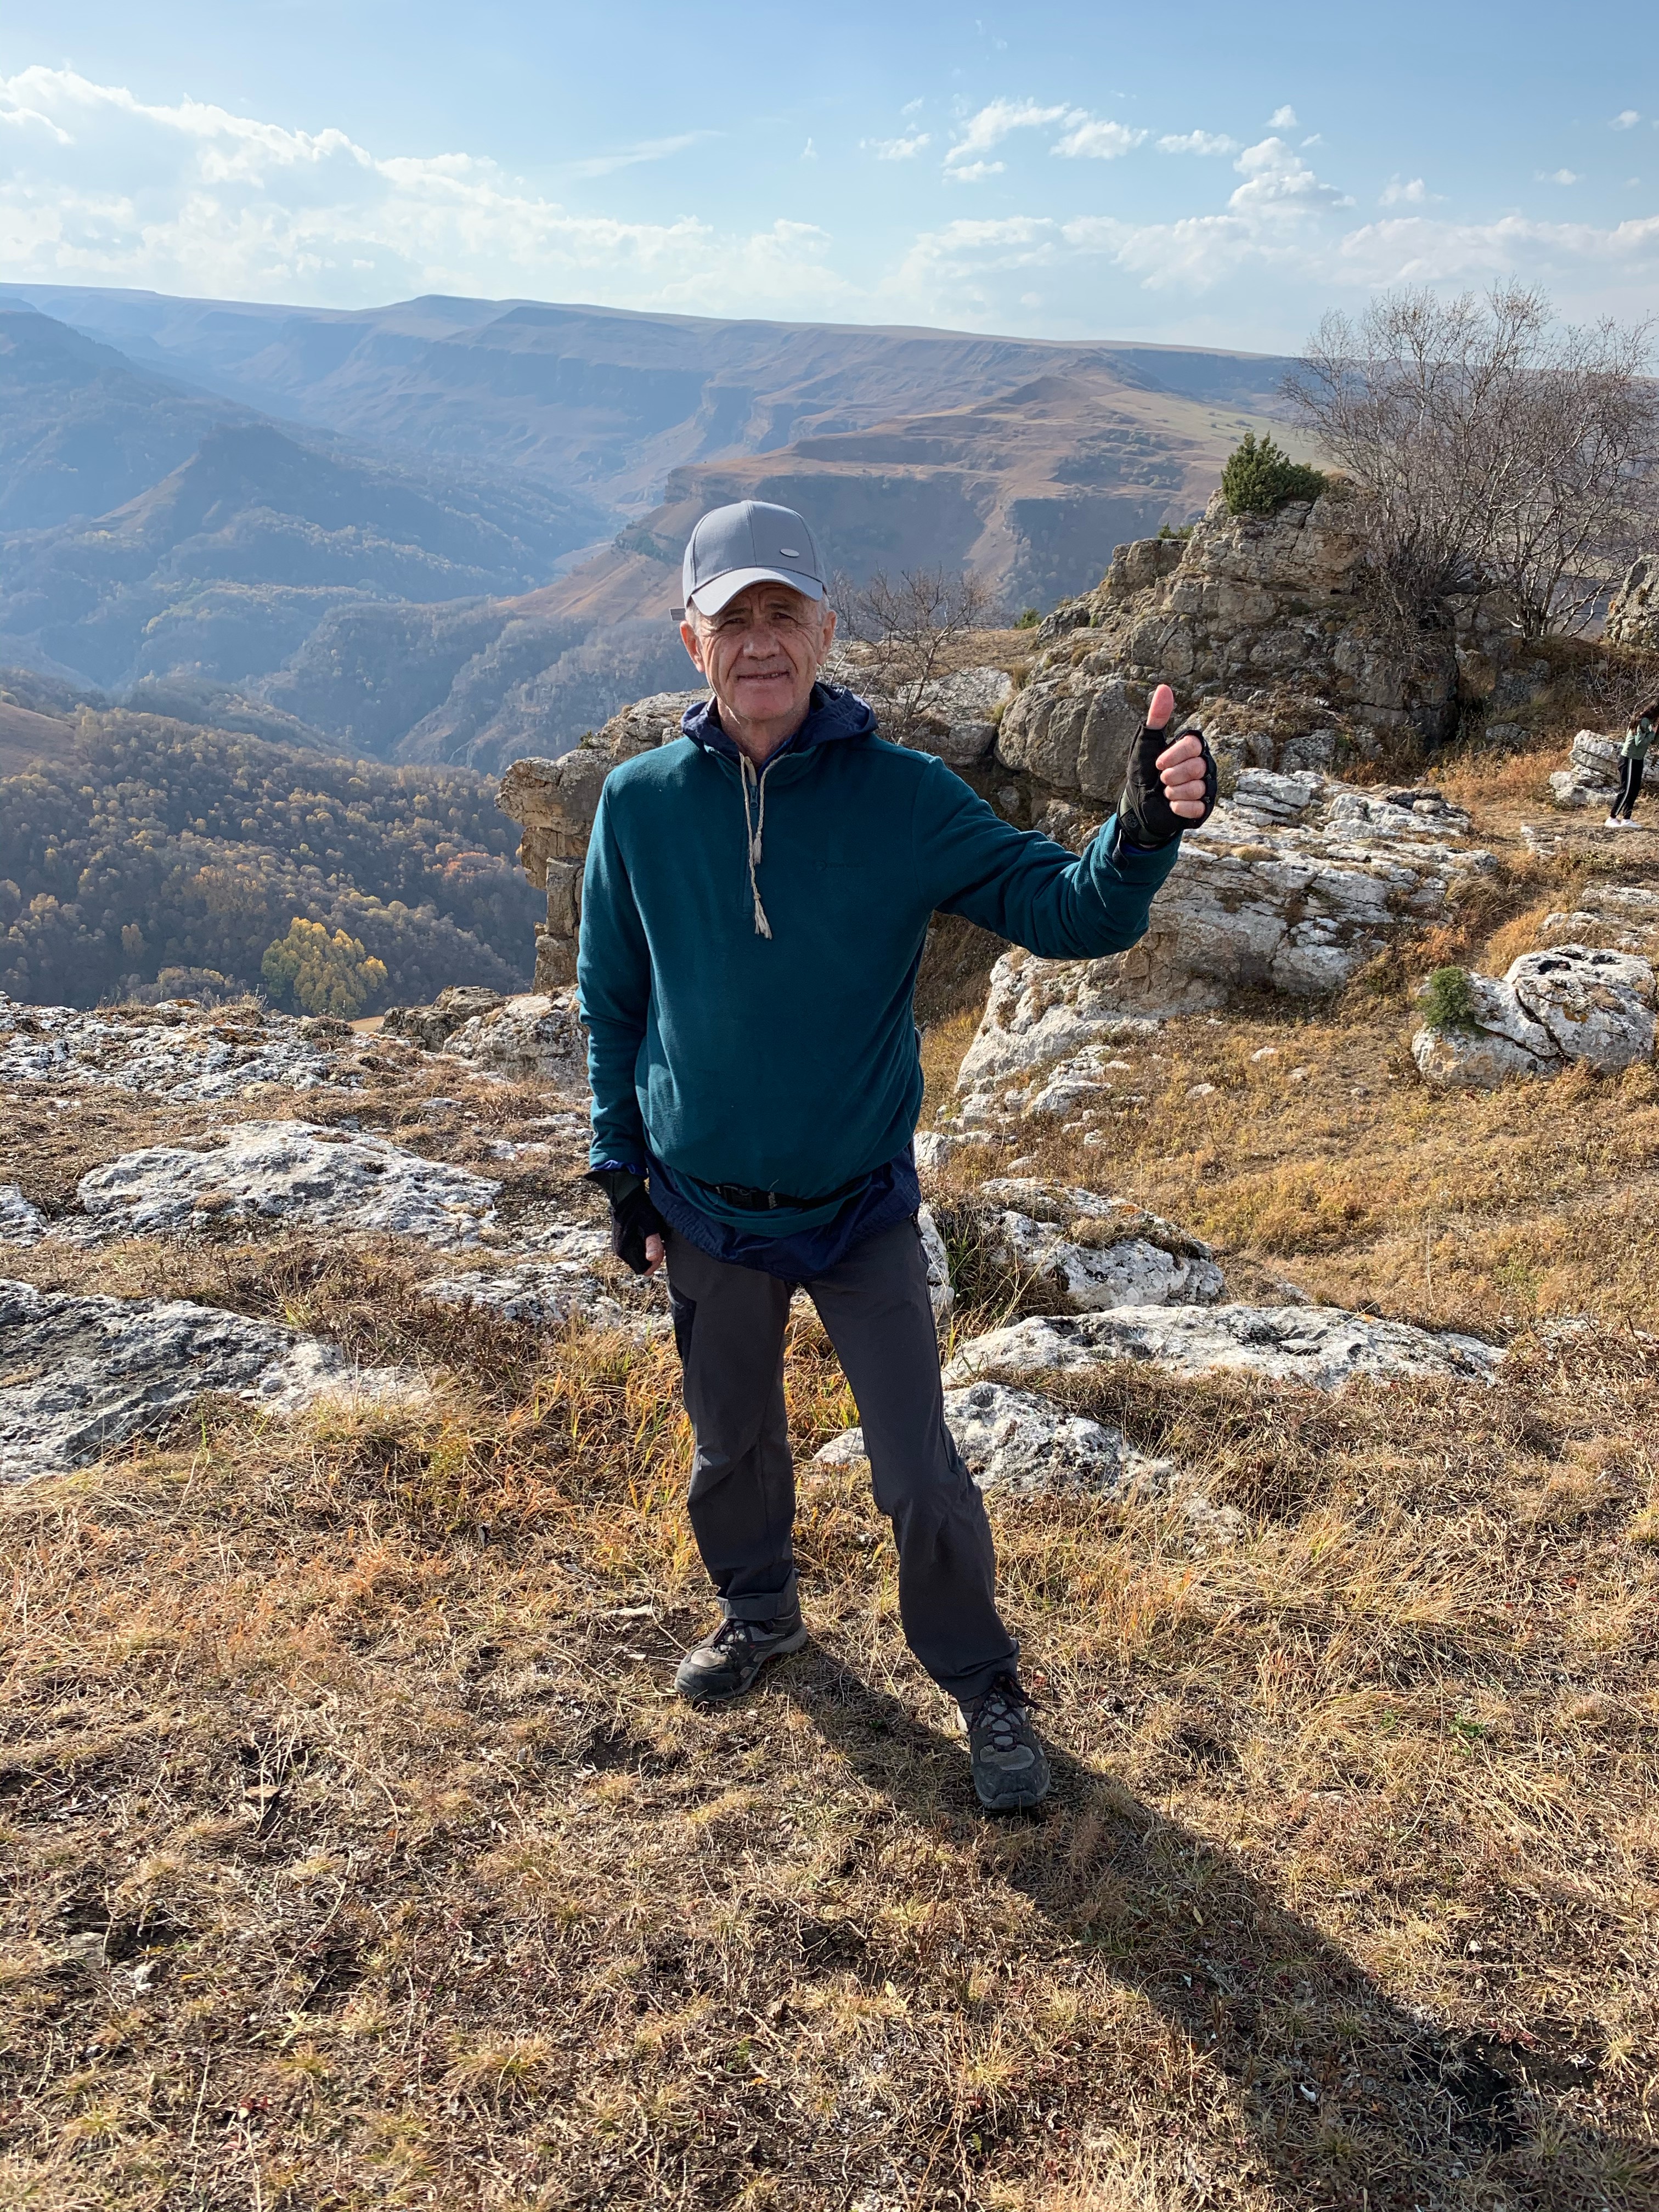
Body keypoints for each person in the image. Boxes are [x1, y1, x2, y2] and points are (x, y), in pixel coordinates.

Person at [578, 499, 1216, 1812]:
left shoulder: (903, 796)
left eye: (786, 619)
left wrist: (1139, 832)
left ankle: (982, 1684)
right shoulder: (637, 805)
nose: (762, 646)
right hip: (702, 1206)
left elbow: (1066, 911)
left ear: (824, 632)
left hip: (859, 1204)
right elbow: (614, 995)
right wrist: (619, 1168)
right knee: (731, 1446)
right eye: (734, 621)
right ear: (690, 638)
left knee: (919, 1468)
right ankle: (761, 1618)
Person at [1607, 699, 1657, 827]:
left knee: (1634, 790)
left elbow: (1654, 742)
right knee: (1626, 789)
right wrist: (1653, 732)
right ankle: (1612, 818)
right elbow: (1639, 742)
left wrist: (1656, 732)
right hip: (1629, 759)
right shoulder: (1643, 720)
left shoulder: (1651, 722)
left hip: (1638, 759)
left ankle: (1627, 819)